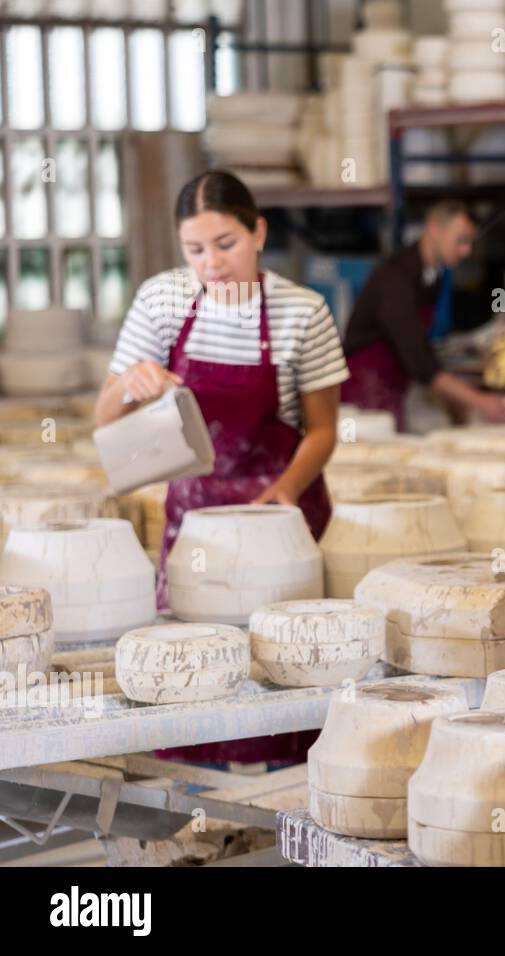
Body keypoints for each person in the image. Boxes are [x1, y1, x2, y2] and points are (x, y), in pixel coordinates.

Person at [95, 169, 347, 765]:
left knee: (286, 677)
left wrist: (283, 494)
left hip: (279, 519)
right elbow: (105, 420)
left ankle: (288, 805)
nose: (211, 262)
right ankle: (198, 819)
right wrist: (130, 385)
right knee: (192, 681)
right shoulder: (162, 300)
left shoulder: (300, 312)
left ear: (258, 232)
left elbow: (324, 430)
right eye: (196, 249)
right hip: (196, 528)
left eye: (226, 244)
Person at [341, 200, 505, 430]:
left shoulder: (433, 276)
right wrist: (478, 401)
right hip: (363, 391)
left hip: (391, 387)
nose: (466, 251)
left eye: (469, 243)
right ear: (433, 229)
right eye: (460, 241)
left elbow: (421, 347)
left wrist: (453, 399)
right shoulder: (395, 277)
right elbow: (419, 360)